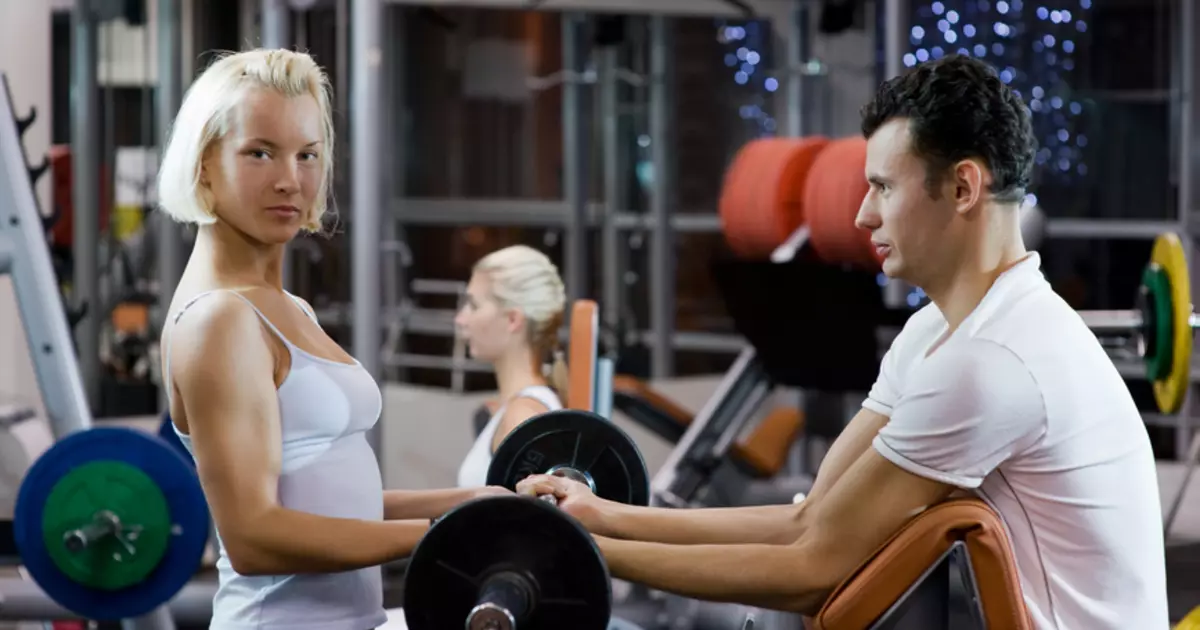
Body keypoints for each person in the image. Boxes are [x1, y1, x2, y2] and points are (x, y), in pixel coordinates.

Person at [517, 54, 1169, 629]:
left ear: (964, 187)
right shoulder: (938, 331)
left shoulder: (994, 360)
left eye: (883, 187)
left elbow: (812, 569)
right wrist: (603, 516)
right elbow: (810, 520)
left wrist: (576, 550)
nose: (861, 215)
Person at [156, 48, 506, 630]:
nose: (290, 180)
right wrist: (446, 535)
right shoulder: (218, 320)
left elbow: (331, 503)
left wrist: (473, 505)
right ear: (204, 165)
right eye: (259, 153)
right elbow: (254, 538)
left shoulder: (285, 307)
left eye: (308, 155)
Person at [453, 245, 569, 488]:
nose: (461, 319)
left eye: (474, 305)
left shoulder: (522, 417)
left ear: (513, 319)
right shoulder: (518, 409)